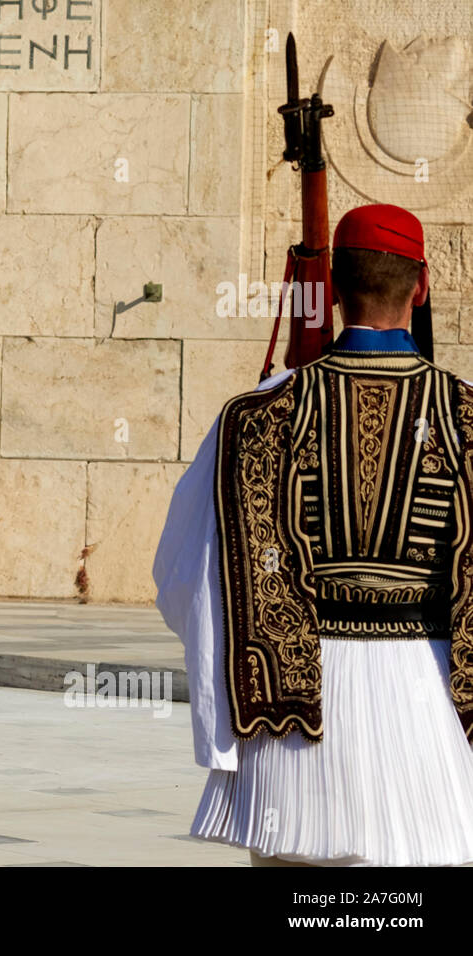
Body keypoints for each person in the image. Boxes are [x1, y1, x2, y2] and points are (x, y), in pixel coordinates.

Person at [154, 203, 473, 865]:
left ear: (329, 291)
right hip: (432, 707)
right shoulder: (467, 413)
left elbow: (183, 576)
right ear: (422, 287)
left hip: (292, 718)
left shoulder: (256, 414)